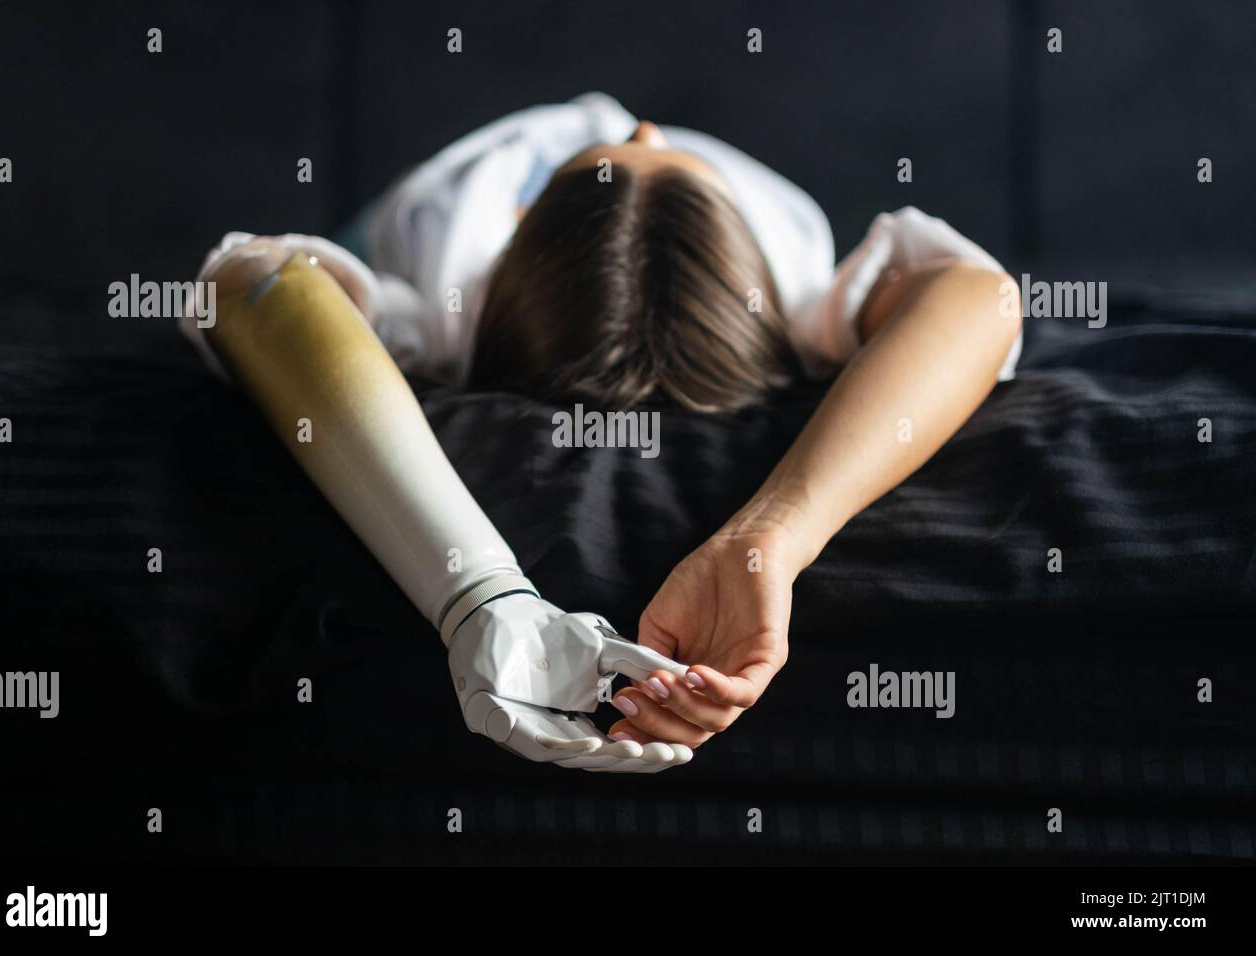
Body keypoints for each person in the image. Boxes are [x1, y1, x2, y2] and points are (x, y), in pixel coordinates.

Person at [184, 92, 1022, 761]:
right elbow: (249, 279)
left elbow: (252, 274)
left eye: (662, 151)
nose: (641, 121)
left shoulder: (453, 310)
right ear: (511, 234)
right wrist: (480, 594)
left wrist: (770, 538)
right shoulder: (456, 283)